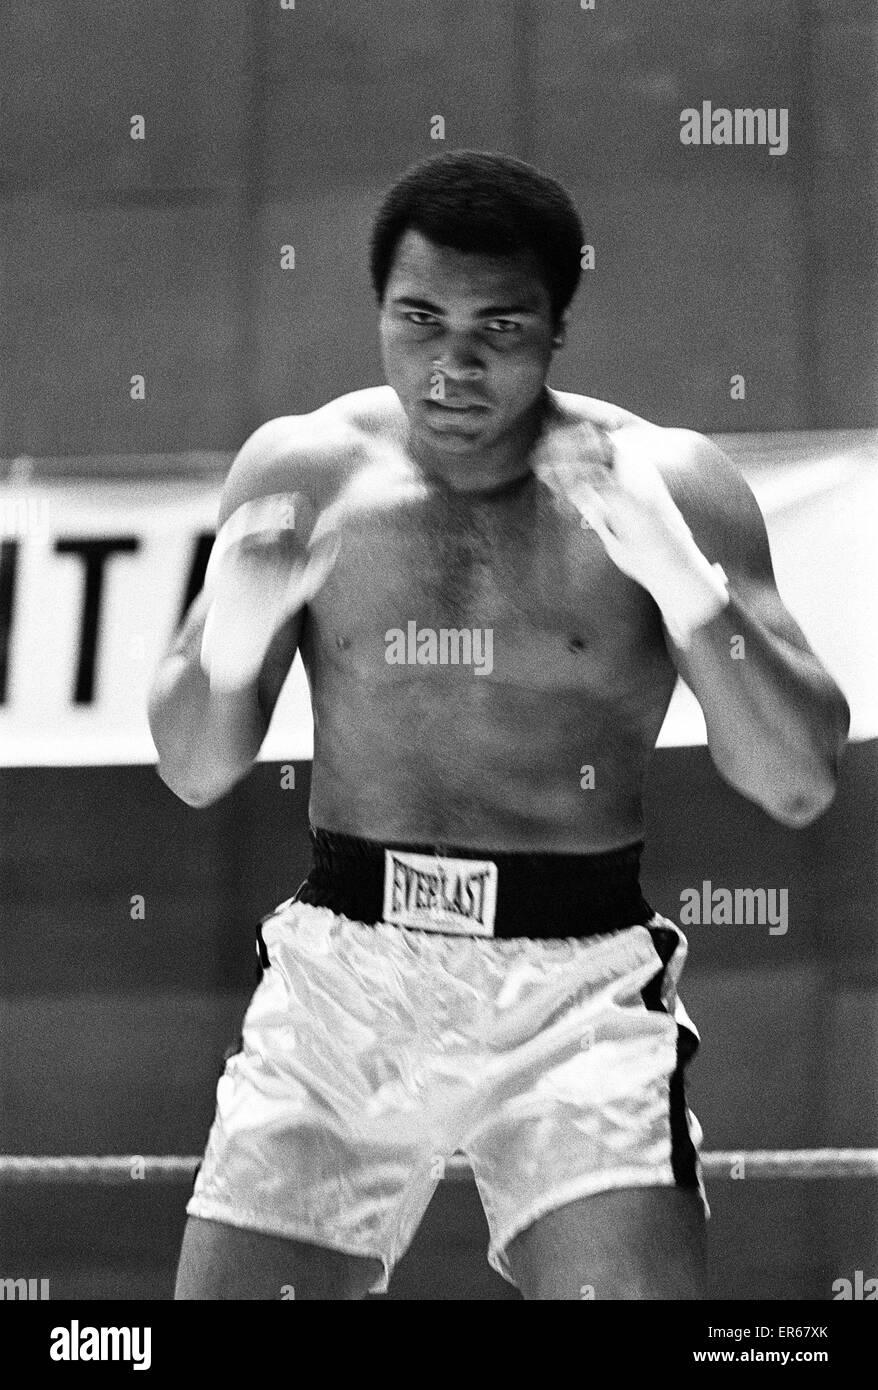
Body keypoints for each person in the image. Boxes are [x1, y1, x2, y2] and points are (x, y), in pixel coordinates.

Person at [148, 150, 850, 1300]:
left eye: (499, 326)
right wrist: (227, 646)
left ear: (557, 329)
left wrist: (684, 586)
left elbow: (795, 782)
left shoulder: (667, 479)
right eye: (418, 319)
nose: (455, 363)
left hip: (574, 986)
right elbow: (191, 769)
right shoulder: (303, 472)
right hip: (347, 971)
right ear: (376, 311)